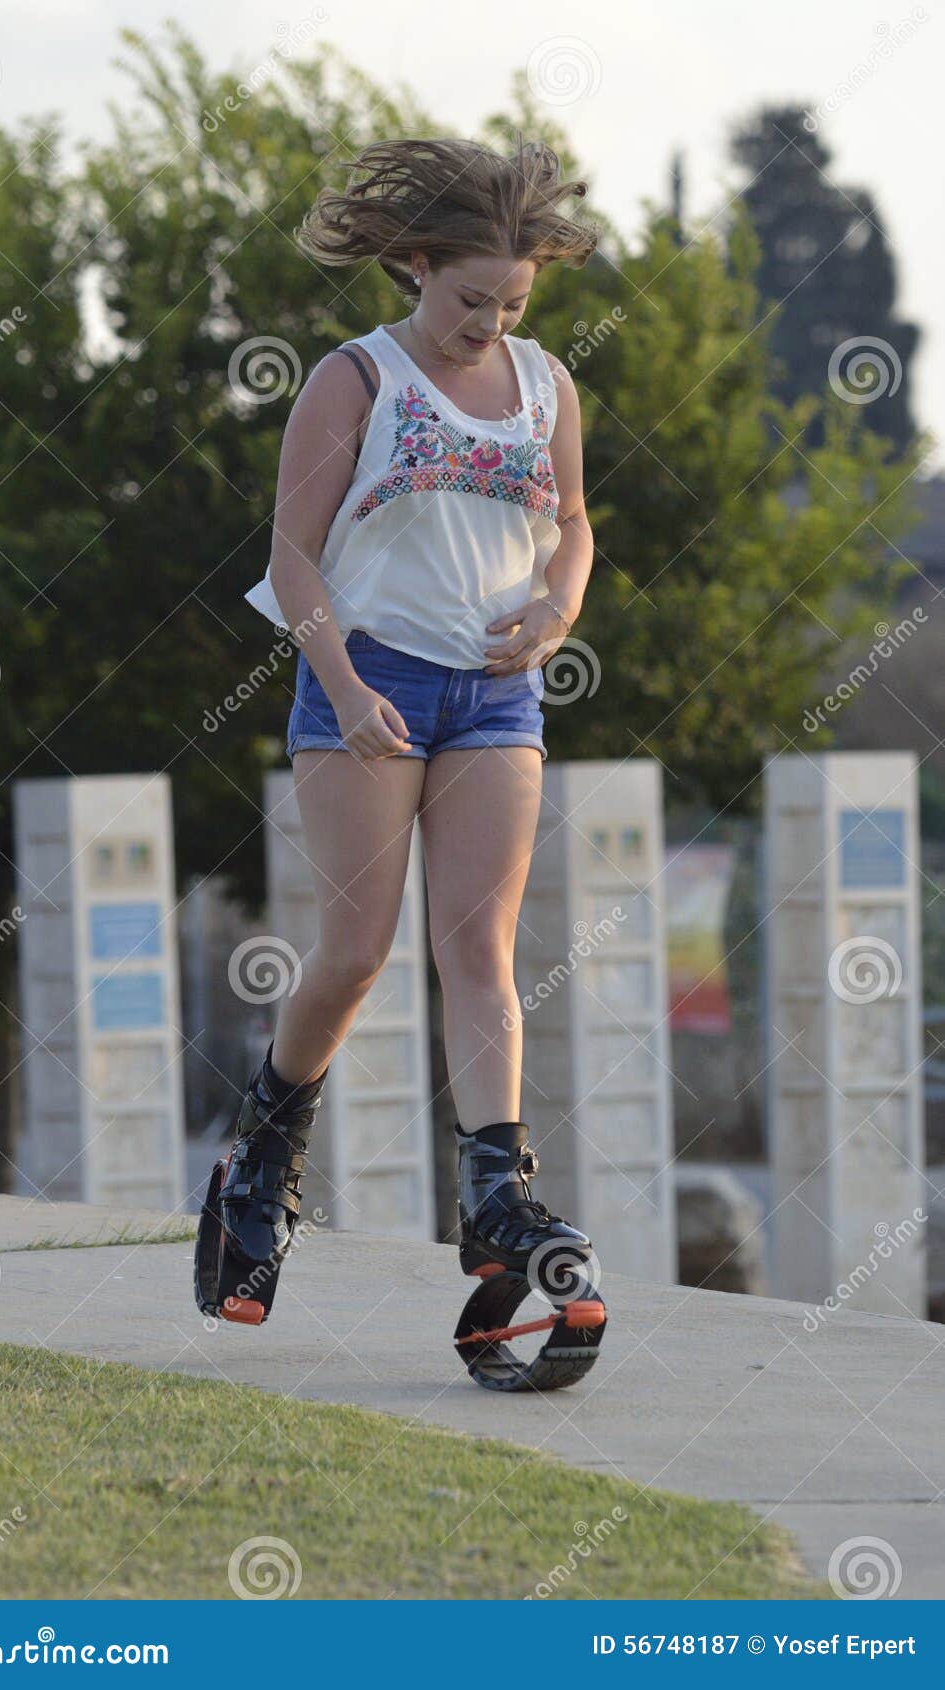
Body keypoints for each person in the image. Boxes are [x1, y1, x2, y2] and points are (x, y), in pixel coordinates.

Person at [216, 133, 599, 1309]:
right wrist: (339, 682)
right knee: (355, 950)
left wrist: (554, 608)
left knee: (481, 952)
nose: (488, 322)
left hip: (495, 687)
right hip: (367, 674)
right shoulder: (358, 378)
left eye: (513, 301)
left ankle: (495, 1195)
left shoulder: (544, 383)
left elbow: (575, 523)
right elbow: (290, 555)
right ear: (418, 267)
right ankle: (262, 1158)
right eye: (471, 298)